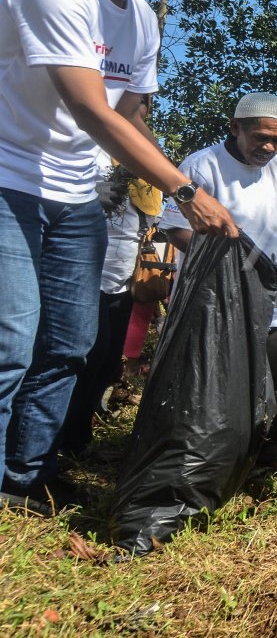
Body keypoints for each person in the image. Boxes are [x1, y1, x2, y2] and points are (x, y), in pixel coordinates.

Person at [0, 0, 237, 515]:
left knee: (70, 343)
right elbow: (91, 110)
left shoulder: (142, 24)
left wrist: (175, 188)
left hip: (77, 197)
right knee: (10, 341)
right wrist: (183, 188)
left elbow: (130, 119)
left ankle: (23, 479)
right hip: (10, 181)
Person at [161, 92, 277, 469]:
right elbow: (176, 229)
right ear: (235, 128)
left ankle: (267, 448)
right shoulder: (203, 165)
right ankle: (211, 453)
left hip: (271, 297)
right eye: (261, 137)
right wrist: (231, 265)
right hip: (214, 295)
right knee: (215, 376)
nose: (269, 147)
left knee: (274, 371)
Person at [59, 140, 163, 454]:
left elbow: (152, 222)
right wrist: (96, 193)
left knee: (106, 361)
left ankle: (77, 433)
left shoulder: (141, 163)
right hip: (83, 275)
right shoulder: (90, 152)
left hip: (122, 280)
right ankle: (65, 438)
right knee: (83, 357)